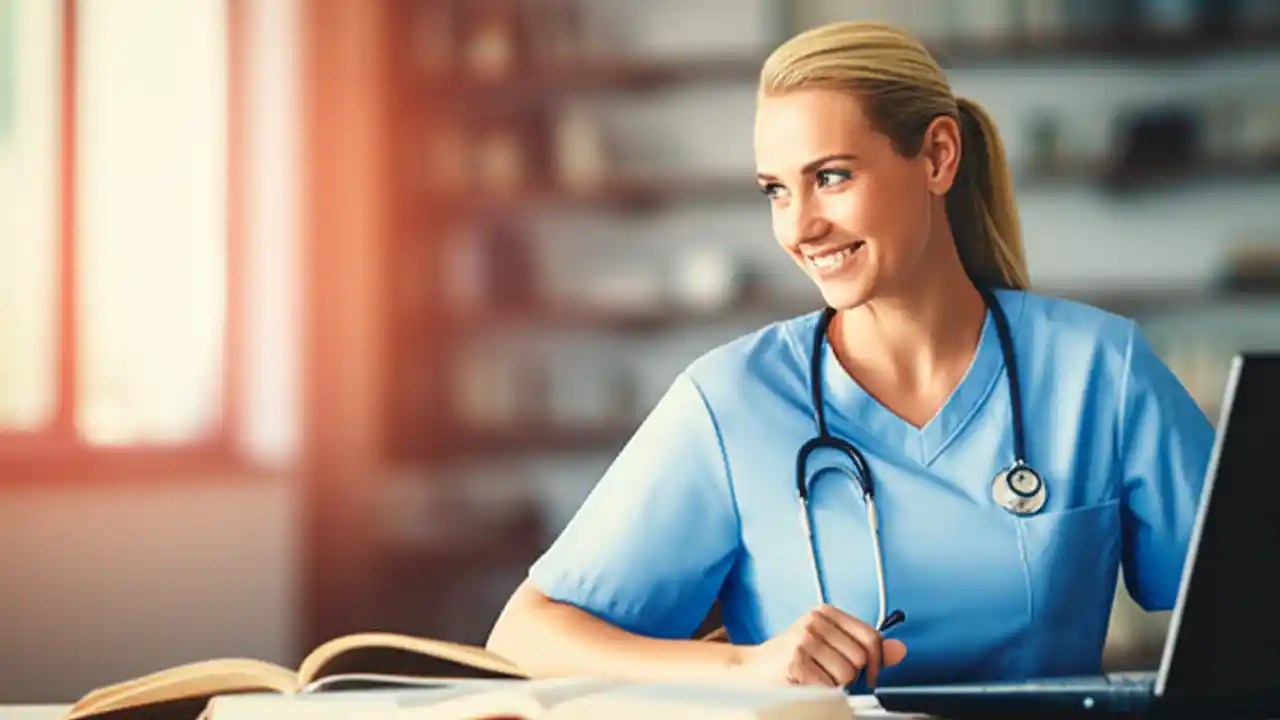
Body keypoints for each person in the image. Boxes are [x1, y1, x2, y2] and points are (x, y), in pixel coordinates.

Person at [485, 20, 1213, 692]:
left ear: (937, 157)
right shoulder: (734, 401)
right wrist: (743, 666)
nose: (800, 227)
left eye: (831, 177)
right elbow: (525, 637)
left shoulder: (1099, 370)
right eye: (776, 191)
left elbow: (1242, 598)